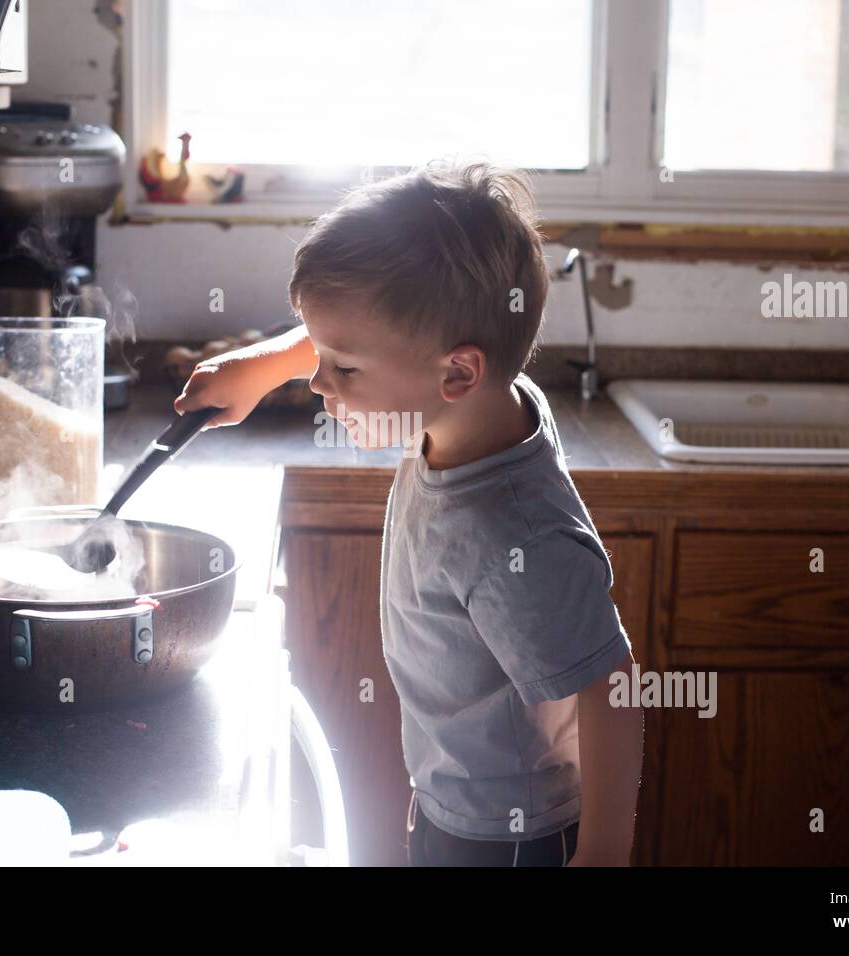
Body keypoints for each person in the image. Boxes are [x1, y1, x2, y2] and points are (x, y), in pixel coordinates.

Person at [176, 161, 643, 866]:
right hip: (454, 796)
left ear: (458, 372)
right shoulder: (478, 408)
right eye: (322, 357)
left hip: (509, 837)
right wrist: (261, 365)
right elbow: (370, 329)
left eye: (344, 368)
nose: (319, 381)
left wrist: (604, 854)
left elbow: (611, 686)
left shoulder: (511, 533)